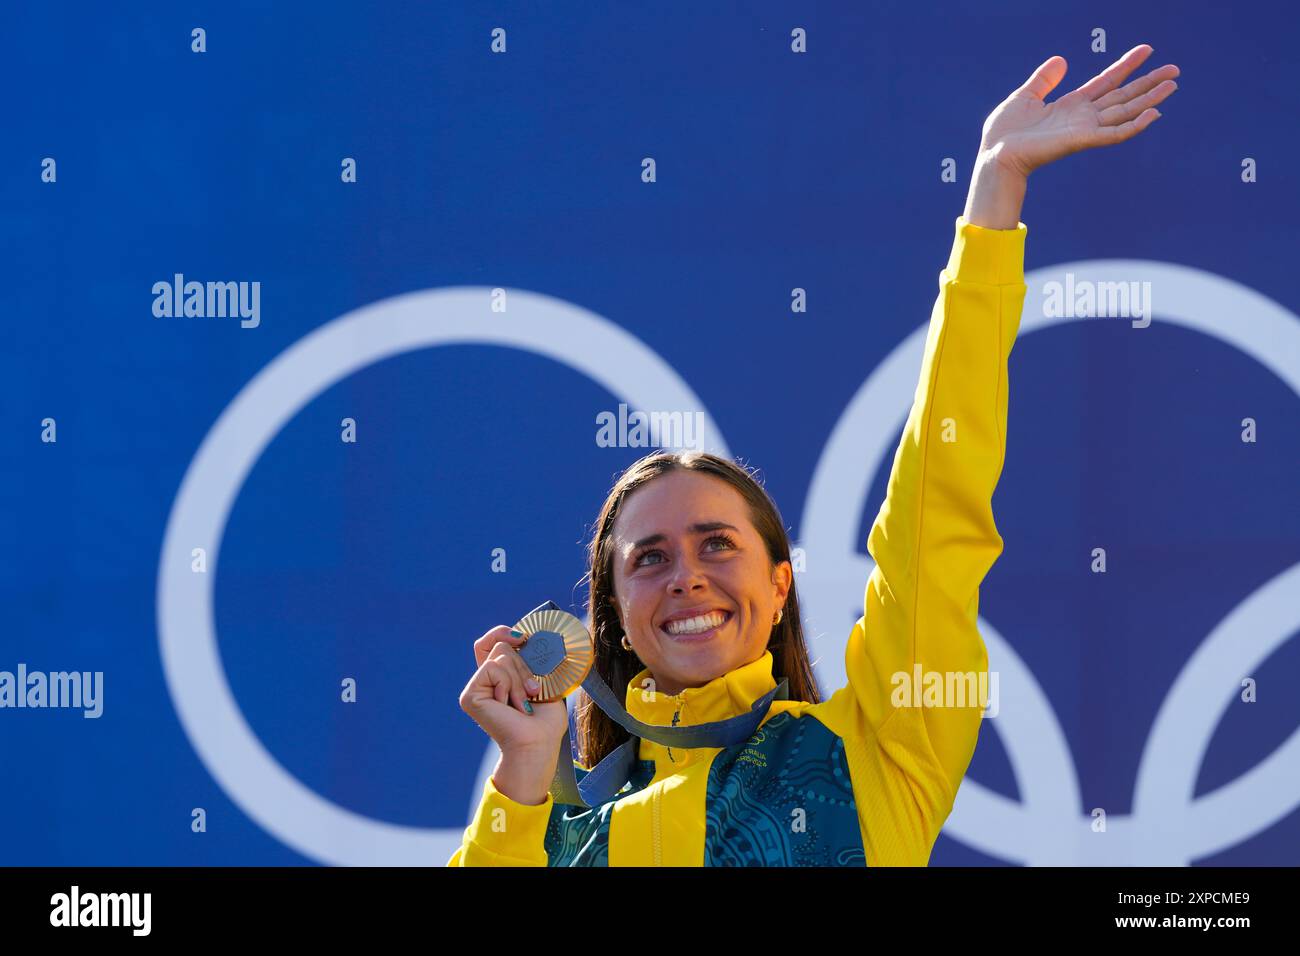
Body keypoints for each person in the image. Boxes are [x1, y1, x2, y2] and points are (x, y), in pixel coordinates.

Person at [448, 45, 1180, 866]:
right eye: (648, 558)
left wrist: (996, 190)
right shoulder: (560, 831)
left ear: (779, 583)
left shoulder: (877, 754)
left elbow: (936, 513)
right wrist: (521, 774)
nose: (685, 575)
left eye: (716, 543)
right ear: (613, 612)